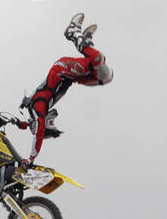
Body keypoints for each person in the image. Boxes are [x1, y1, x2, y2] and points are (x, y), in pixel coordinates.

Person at [19, 12, 113, 164]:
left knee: (97, 59)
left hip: (61, 70)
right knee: (106, 76)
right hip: (72, 78)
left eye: (48, 125)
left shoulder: (37, 109)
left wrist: (31, 158)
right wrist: (18, 124)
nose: (50, 121)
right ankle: (86, 39)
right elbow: (29, 124)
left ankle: (73, 32)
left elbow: (38, 128)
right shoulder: (36, 112)